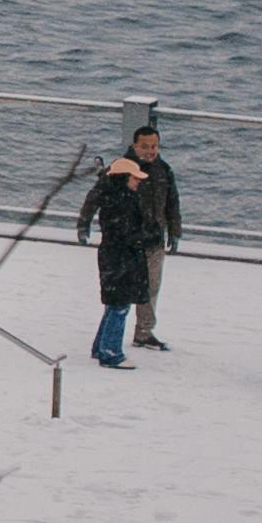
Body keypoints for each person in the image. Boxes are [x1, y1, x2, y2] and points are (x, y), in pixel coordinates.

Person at [81, 142, 166, 371]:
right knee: (119, 306)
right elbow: (128, 234)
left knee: (114, 304)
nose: (138, 182)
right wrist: (148, 238)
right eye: (134, 178)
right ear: (123, 178)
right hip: (121, 259)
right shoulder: (123, 202)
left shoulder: (113, 198)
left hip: (114, 257)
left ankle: (101, 346)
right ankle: (111, 353)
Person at [122, 114, 188, 352]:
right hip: (129, 239)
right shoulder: (122, 168)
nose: (151, 151)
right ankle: (111, 333)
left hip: (154, 239)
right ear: (134, 146)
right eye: (145, 146)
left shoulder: (164, 170)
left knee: (151, 287)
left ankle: (144, 331)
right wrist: (85, 222)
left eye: (154, 146)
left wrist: (175, 231)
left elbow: (173, 203)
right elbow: (100, 197)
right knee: (120, 289)